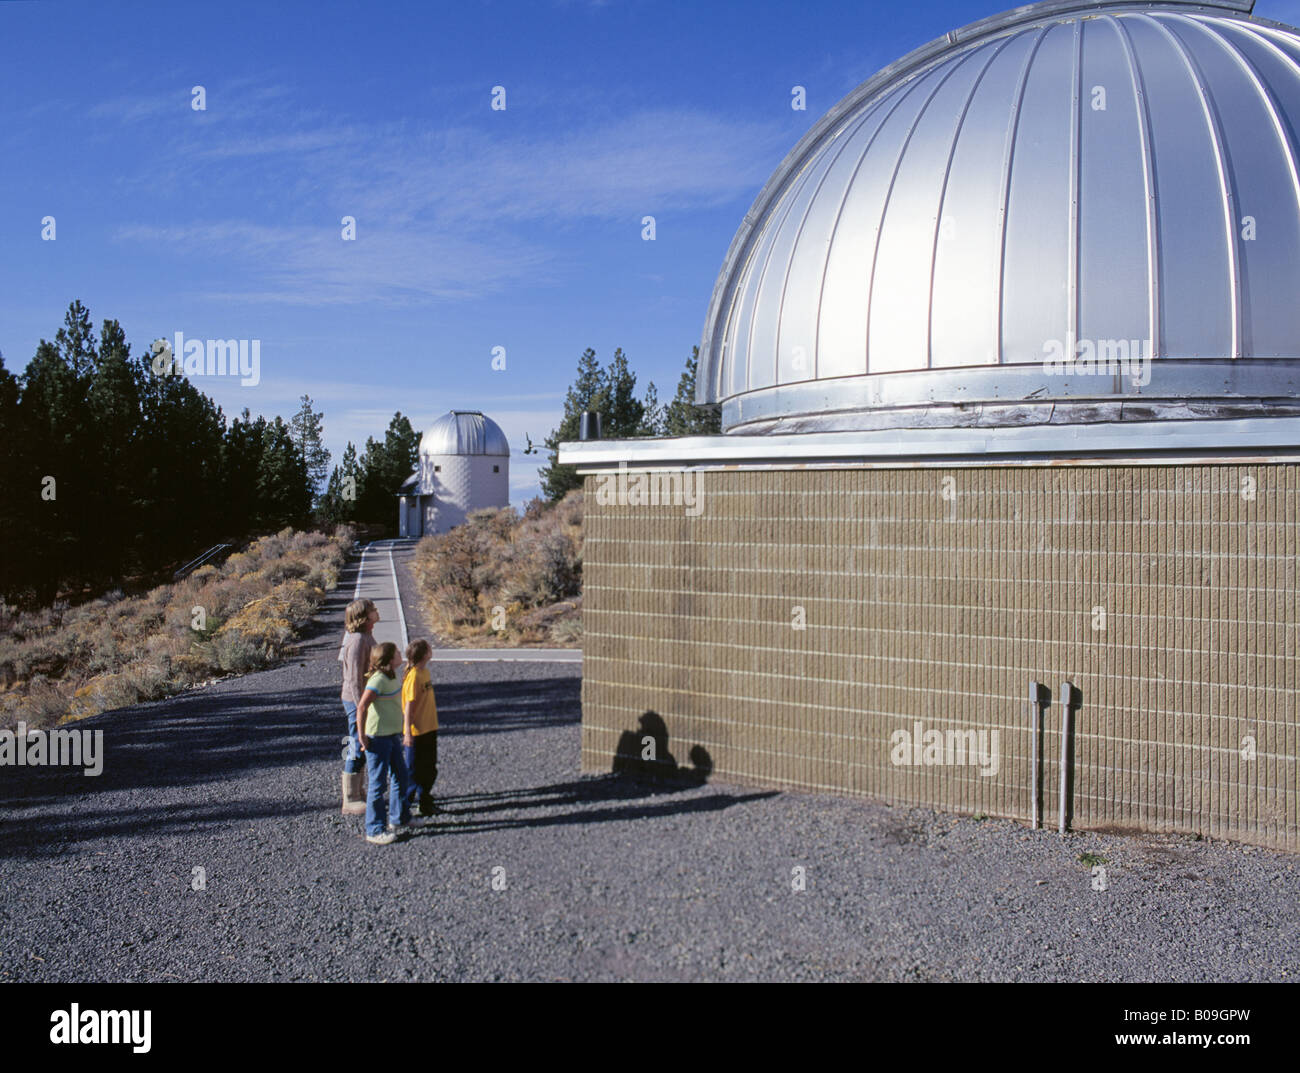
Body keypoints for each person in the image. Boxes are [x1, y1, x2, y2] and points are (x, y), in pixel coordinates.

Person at [355, 642, 412, 845]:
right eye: (397, 653)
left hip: (392, 734)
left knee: (400, 775)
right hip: (378, 737)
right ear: (389, 660)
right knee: (378, 784)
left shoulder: (393, 675)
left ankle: (399, 818)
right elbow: (361, 707)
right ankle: (375, 829)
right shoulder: (378, 680)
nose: (400, 654)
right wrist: (361, 735)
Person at [337, 598, 378, 814]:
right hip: (356, 701)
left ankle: (358, 792)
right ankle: (350, 798)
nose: (376, 612)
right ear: (363, 616)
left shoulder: (365, 636)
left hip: (363, 700)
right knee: (355, 741)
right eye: (372, 610)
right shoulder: (358, 641)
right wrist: (362, 705)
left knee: (362, 742)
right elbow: (354, 680)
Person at [401, 640, 440, 818]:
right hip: (417, 732)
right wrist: (408, 732)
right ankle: (403, 808)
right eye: (429, 648)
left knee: (429, 768)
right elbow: (408, 707)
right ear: (424, 654)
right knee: (412, 771)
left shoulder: (425, 672)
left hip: (429, 728)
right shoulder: (414, 676)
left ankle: (425, 801)